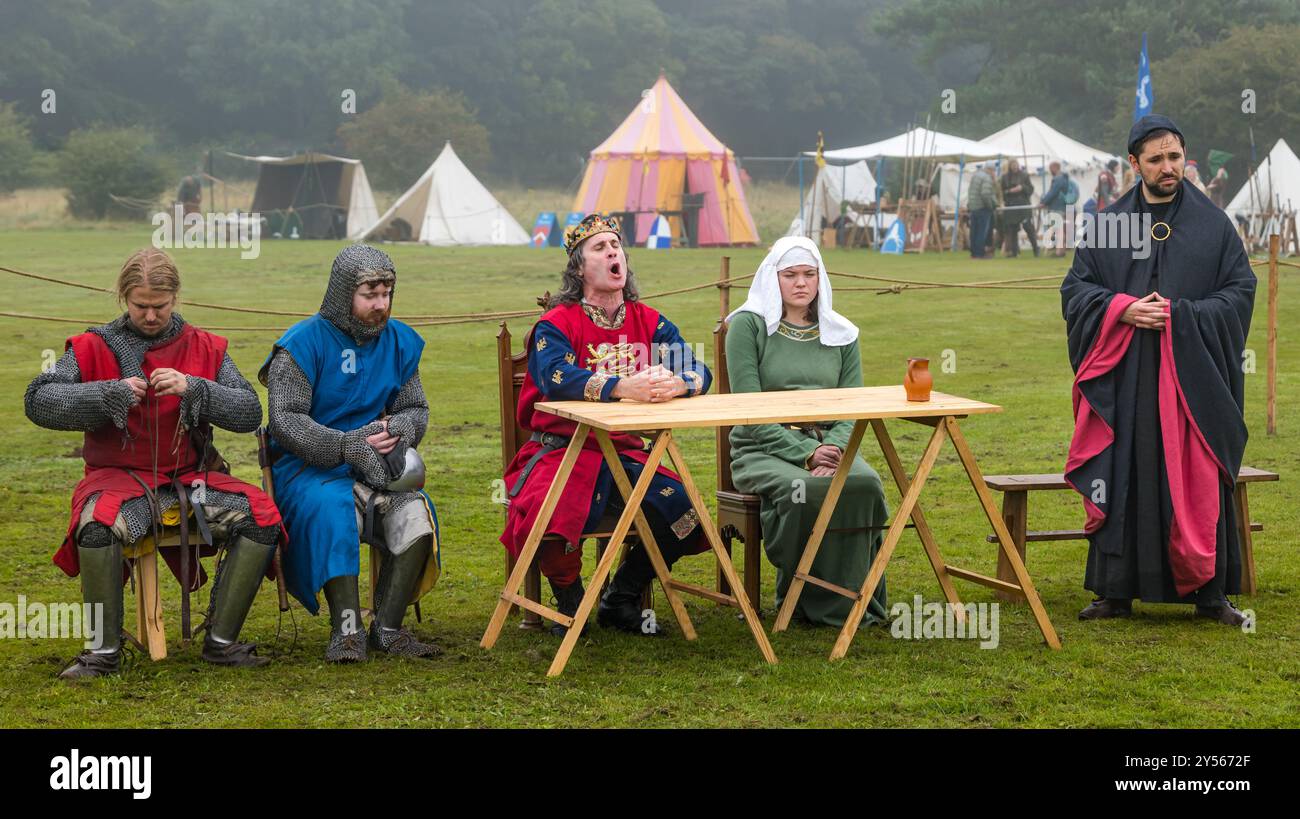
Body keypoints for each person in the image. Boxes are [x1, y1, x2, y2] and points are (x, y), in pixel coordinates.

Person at [24, 248, 283, 679]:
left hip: (191, 477)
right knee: (97, 526)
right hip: (117, 477)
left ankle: (221, 642)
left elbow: (248, 412)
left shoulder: (205, 347)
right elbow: (38, 401)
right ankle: (102, 652)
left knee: (261, 517)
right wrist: (105, 393)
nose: (149, 316)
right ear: (124, 298)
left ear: (176, 298)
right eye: (140, 305)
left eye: (159, 306)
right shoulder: (92, 347)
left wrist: (196, 387)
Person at [1061, 114, 1255, 627]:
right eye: (1156, 159)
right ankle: (1115, 591)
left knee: (1197, 476)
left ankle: (1211, 594)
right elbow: (1076, 291)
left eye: (1174, 157)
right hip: (1125, 377)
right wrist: (1120, 309)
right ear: (1134, 164)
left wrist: (1183, 316)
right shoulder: (1106, 225)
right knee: (1122, 472)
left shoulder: (1213, 225)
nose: (1168, 168)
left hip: (1192, 378)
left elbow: (1239, 293)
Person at [500, 214, 713, 637]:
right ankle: (571, 598)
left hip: (626, 453)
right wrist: (622, 387)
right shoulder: (557, 323)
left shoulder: (649, 321)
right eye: (600, 247)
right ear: (579, 268)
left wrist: (678, 383)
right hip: (561, 450)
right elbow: (554, 376)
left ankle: (623, 596)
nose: (613, 251)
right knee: (550, 514)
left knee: (685, 512)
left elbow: (698, 368)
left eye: (616, 245)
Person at [260, 244, 441, 662]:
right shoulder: (302, 345)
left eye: (387, 293)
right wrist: (345, 445)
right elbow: (286, 421)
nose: (381, 305)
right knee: (332, 511)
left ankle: (389, 629)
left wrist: (401, 427)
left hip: (377, 469)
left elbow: (416, 407)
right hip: (309, 470)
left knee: (416, 514)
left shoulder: (398, 342)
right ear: (344, 293)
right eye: (370, 294)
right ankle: (346, 630)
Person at [725, 237, 890, 626]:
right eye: (790, 275)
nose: (801, 283)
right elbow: (750, 408)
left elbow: (851, 406)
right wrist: (805, 454)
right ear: (772, 278)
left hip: (831, 446)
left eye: (809, 274)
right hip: (761, 447)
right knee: (810, 491)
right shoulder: (747, 327)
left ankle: (855, 599)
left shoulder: (842, 332)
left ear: (820, 278)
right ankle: (803, 597)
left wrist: (831, 449)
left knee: (865, 484)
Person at [999, 158, 1039, 257]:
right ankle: (1014, 252)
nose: (1014, 166)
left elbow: (1030, 190)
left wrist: (1022, 188)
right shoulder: (1005, 177)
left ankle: (1035, 249)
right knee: (1012, 229)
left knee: (1028, 228)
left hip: (1023, 205)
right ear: (1010, 166)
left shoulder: (1024, 175)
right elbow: (1002, 193)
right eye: (1012, 164)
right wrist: (1010, 191)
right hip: (1011, 205)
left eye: (1015, 164)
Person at [1039, 161, 1075, 257]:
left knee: (1058, 229)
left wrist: (1043, 202)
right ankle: (1060, 250)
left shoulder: (1058, 179)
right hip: (1062, 206)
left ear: (1055, 168)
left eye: (1051, 168)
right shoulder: (1064, 178)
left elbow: (1053, 192)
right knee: (1059, 229)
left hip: (1057, 206)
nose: (1050, 171)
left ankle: (1060, 251)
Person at [965, 164, 997, 258]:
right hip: (983, 208)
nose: (994, 173)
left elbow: (970, 191)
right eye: (993, 171)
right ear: (990, 170)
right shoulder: (987, 178)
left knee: (974, 231)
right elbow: (985, 194)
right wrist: (991, 206)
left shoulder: (975, 175)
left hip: (973, 207)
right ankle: (979, 253)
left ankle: (973, 253)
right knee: (982, 232)